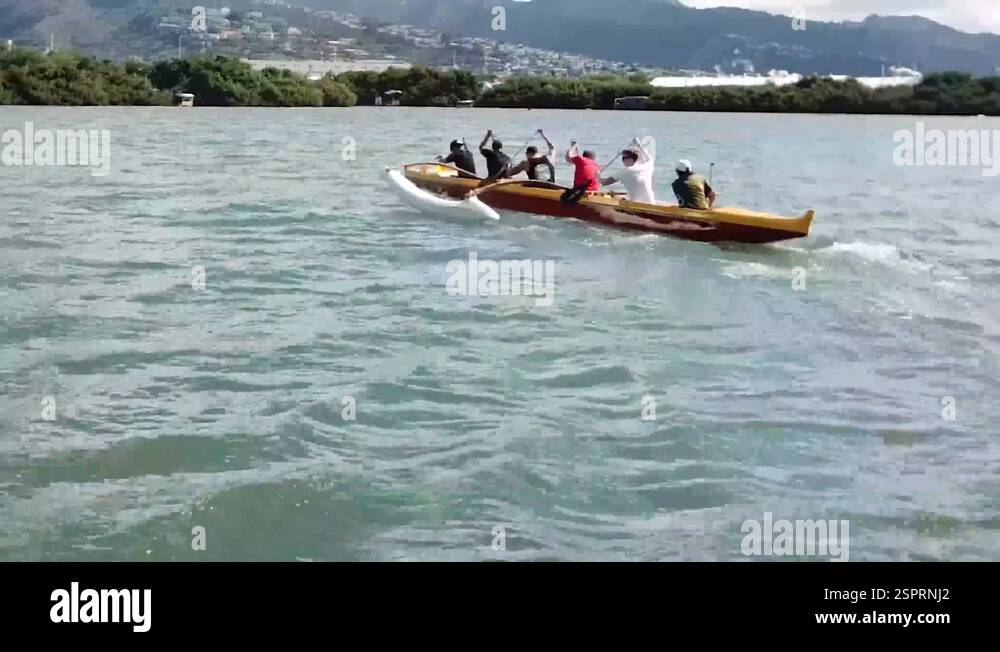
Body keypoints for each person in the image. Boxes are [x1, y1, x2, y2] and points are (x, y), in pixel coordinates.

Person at [599, 137, 655, 203]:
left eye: (624, 159)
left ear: (630, 159)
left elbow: (605, 182)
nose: (623, 161)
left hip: (636, 205)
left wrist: (597, 175)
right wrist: (639, 145)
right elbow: (649, 157)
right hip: (651, 202)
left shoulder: (625, 171)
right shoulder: (647, 166)